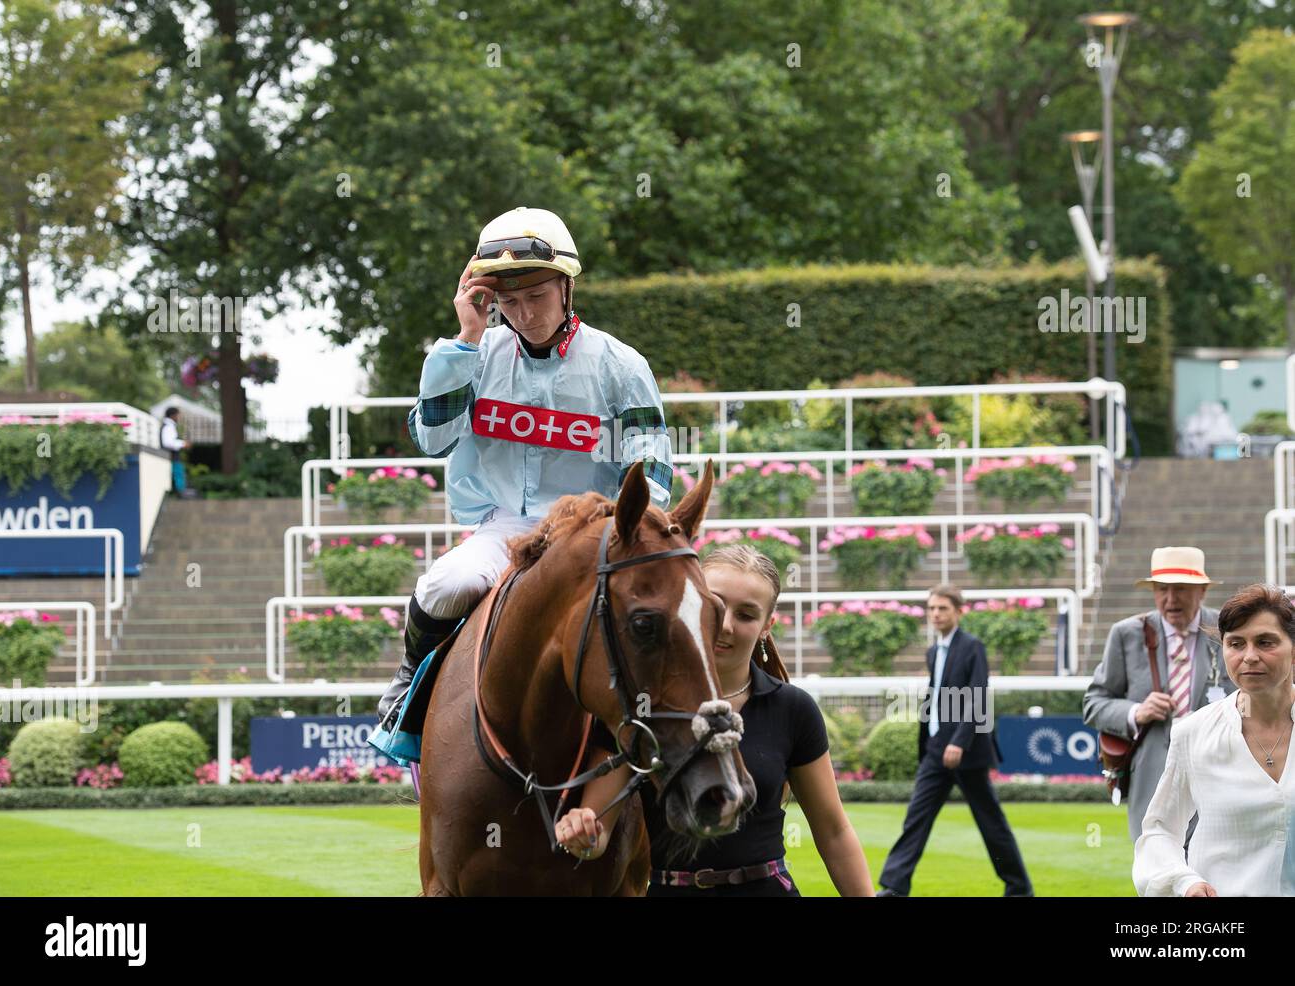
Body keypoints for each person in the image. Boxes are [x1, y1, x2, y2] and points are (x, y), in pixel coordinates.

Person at [371, 206, 674, 745]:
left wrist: (627, 533)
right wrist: (466, 338)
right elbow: (432, 439)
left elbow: (649, 473)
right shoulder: (473, 356)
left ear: (565, 286)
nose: (525, 313)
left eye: (536, 296)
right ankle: (406, 692)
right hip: (504, 526)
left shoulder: (622, 365)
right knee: (446, 583)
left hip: (592, 531)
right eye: (508, 302)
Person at [553, 543, 875, 897]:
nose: (726, 626)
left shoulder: (792, 709)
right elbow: (596, 834)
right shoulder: (639, 709)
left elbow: (833, 831)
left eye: (747, 615)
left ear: (767, 626)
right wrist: (581, 831)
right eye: (717, 606)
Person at [1132, 583, 1295, 897]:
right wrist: (1184, 881)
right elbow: (1159, 830)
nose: (1249, 656)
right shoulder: (1194, 733)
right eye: (1235, 643)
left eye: (1265, 642)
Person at [875, 583, 1032, 897]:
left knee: (991, 824)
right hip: (935, 751)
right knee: (916, 819)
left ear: (959, 611)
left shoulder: (973, 647)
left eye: (943, 608)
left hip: (967, 752)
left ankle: (1019, 889)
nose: (936, 614)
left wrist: (958, 742)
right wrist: (933, 741)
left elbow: (976, 698)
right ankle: (893, 887)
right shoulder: (934, 651)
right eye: (932, 608)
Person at [1083, 546, 1233, 842]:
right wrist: (1135, 712)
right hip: (1152, 776)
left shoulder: (1227, 630)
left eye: (1180, 589)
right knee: (1155, 871)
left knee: (1214, 870)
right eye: (1162, 589)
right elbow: (1094, 704)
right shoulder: (1126, 633)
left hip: (1219, 772)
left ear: (1202, 591)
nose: (1170, 599)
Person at [160, 407, 195, 499]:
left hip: (172, 456)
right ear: (173, 415)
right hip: (171, 456)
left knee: (178, 475)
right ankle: (181, 495)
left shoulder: (169, 425)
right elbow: (167, 442)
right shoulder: (168, 426)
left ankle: (180, 493)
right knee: (178, 475)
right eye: (178, 415)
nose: (179, 417)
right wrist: (183, 444)